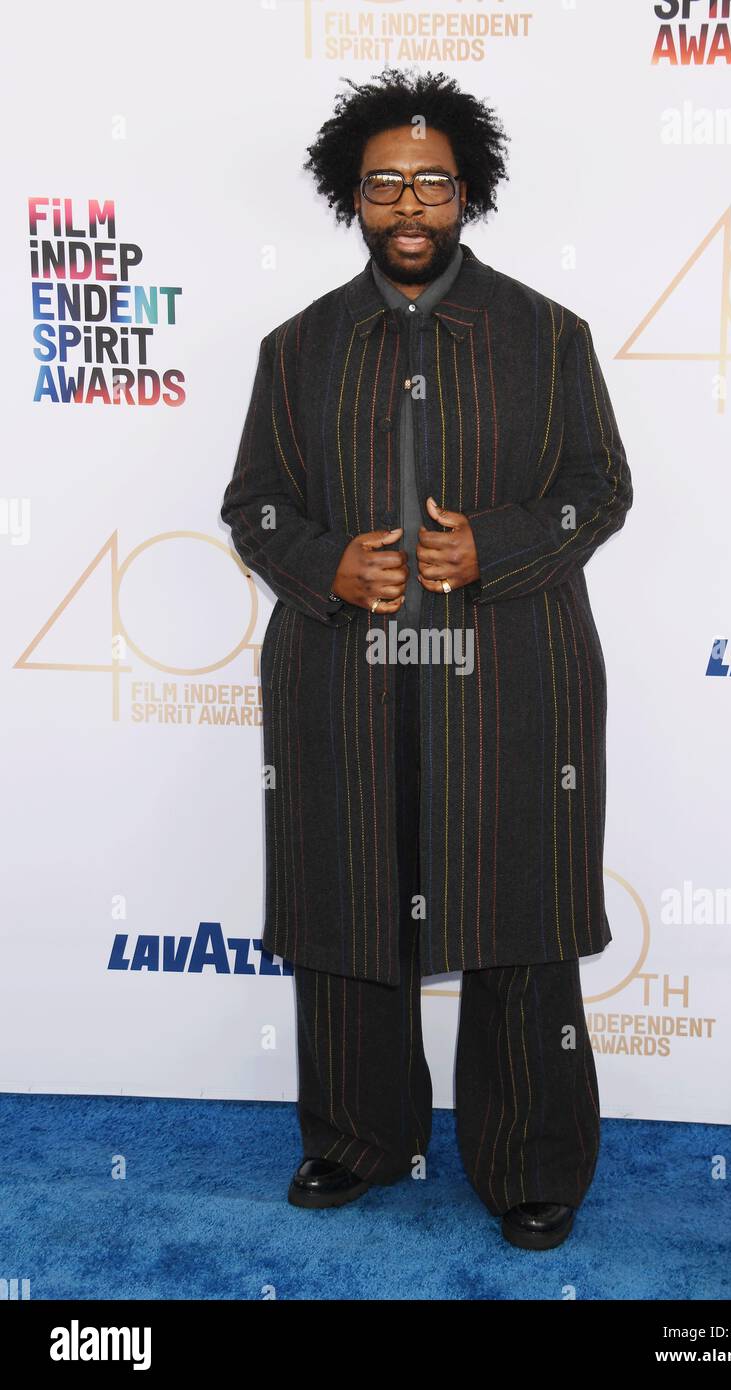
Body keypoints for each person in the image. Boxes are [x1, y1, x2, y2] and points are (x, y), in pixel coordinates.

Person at [220, 66, 633, 1250]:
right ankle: (356, 1139)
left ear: (470, 192)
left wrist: (488, 548)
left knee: (519, 917)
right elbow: (251, 506)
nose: (409, 204)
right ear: (353, 197)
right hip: (341, 678)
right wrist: (328, 567)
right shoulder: (297, 346)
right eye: (385, 184)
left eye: (432, 183)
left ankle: (531, 1165)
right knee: (351, 908)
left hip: (513, 679)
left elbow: (602, 489)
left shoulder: (550, 336)